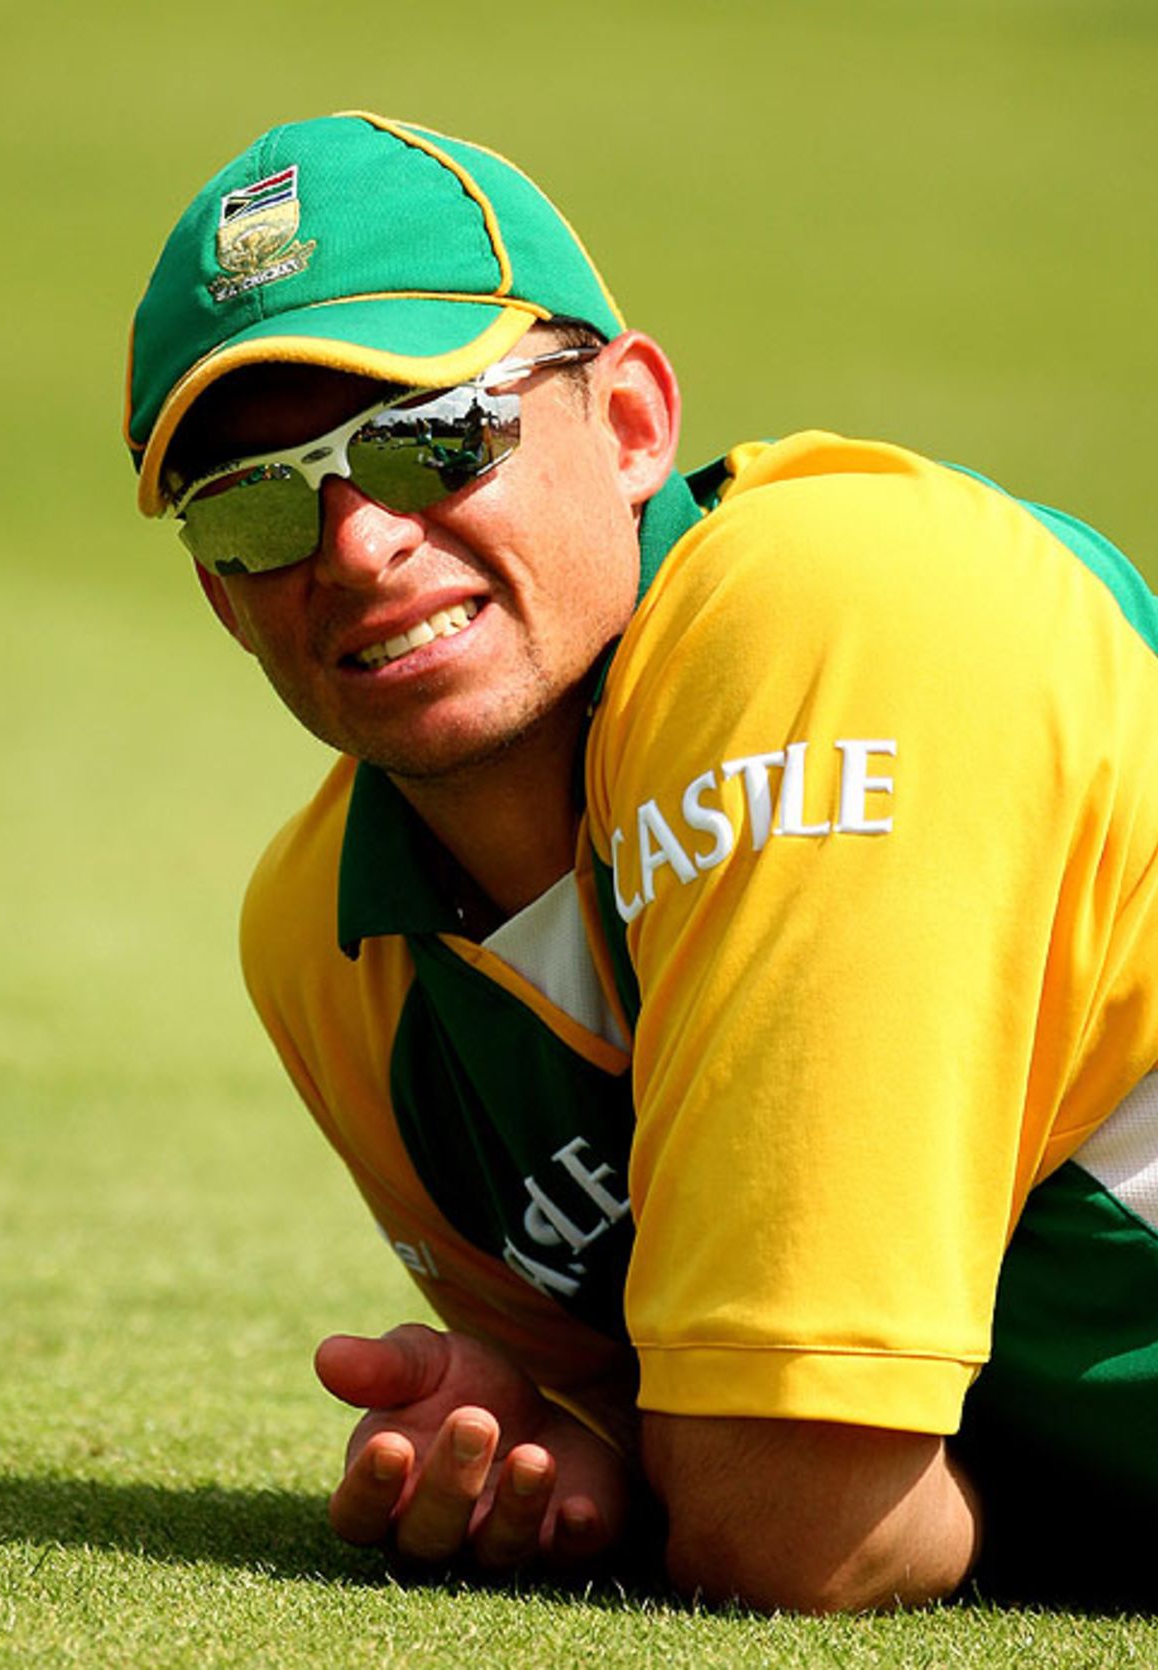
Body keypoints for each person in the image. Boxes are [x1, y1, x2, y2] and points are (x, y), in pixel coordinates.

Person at [126, 110, 1158, 1612]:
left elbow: (800, 1532)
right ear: (225, 600)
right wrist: (582, 1465)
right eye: (258, 501)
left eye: (432, 437)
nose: (354, 548)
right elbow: (692, 1460)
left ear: (628, 423)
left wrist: (739, 1478)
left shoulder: (837, 621)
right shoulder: (328, 945)